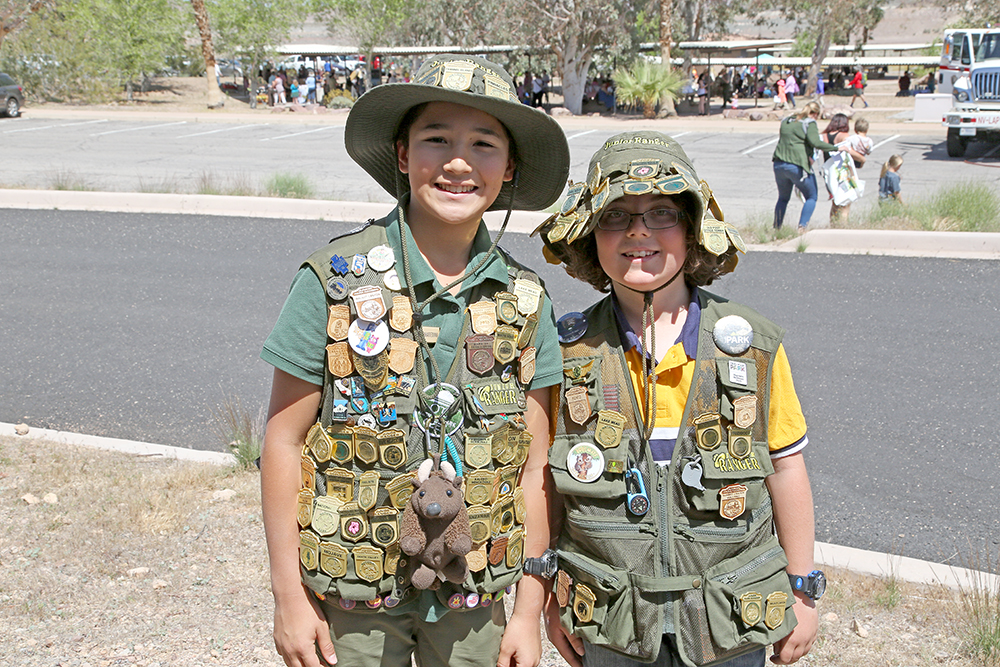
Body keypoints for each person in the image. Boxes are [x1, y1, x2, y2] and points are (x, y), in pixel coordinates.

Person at [259, 54, 571, 667]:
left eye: (484, 144)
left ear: (508, 170)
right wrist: (288, 595)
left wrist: (529, 610)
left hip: (473, 602)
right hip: (353, 596)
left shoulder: (526, 299)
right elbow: (283, 441)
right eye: (437, 140)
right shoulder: (333, 281)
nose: (459, 162)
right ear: (403, 155)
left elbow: (538, 463)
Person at [533, 130, 821, 667]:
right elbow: (547, 484)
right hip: (610, 620)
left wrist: (802, 589)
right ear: (589, 234)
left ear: (692, 231)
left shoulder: (751, 345)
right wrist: (546, 591)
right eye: (616, 214)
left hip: (727, 620)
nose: (639, 230)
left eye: (662, 213)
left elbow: (786, 468)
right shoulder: (564, 352)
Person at [772, 101, 844, 231]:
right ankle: (802, 227)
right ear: (815, 114)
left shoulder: (787, 120)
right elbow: (815, 142)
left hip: (779, 163)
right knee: (811, 196)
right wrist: (835, 148)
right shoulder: (809, 123)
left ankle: (776, 227)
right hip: (797, 164)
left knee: (783, 198)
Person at [821, 115, 869, 223]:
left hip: (829, 171)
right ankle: (843, 226)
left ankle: (833, 225)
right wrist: (862, 159)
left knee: (835, 201)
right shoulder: (844, 135)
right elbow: (849, 150)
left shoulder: (825, 135)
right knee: (846, 201)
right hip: (842, 172)